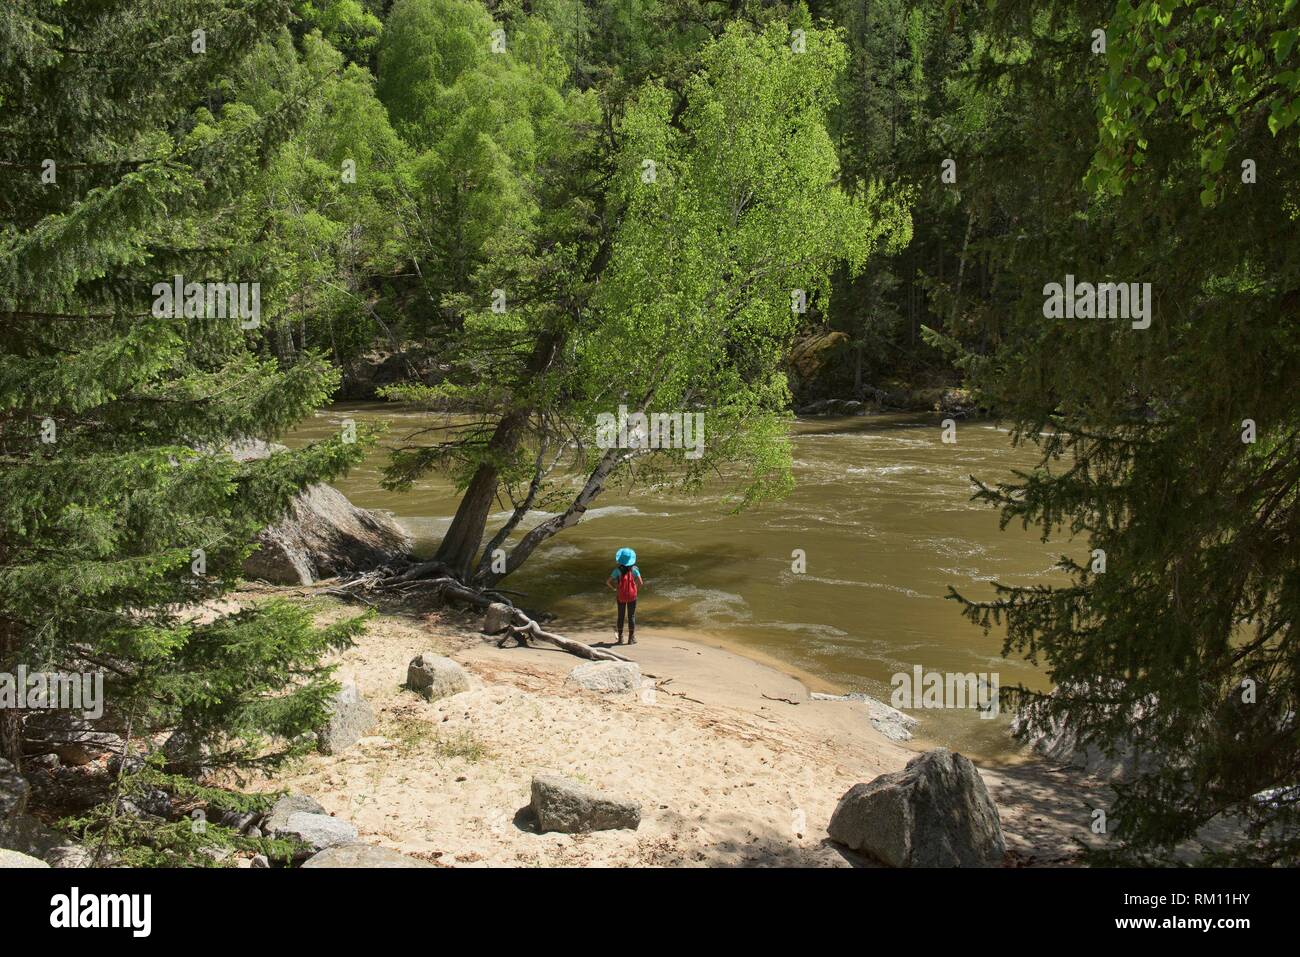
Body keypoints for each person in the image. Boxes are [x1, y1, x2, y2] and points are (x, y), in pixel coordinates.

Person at [605, 547, 644, 644]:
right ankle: (631, 639)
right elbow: (641, 583)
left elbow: (608, 582)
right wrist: (635, 591)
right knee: (631, 616)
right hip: (632, 596)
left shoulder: (617, 570)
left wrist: (614, 588)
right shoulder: (635, 569)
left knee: (620, 616)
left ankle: (620, 638)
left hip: (621, 595)